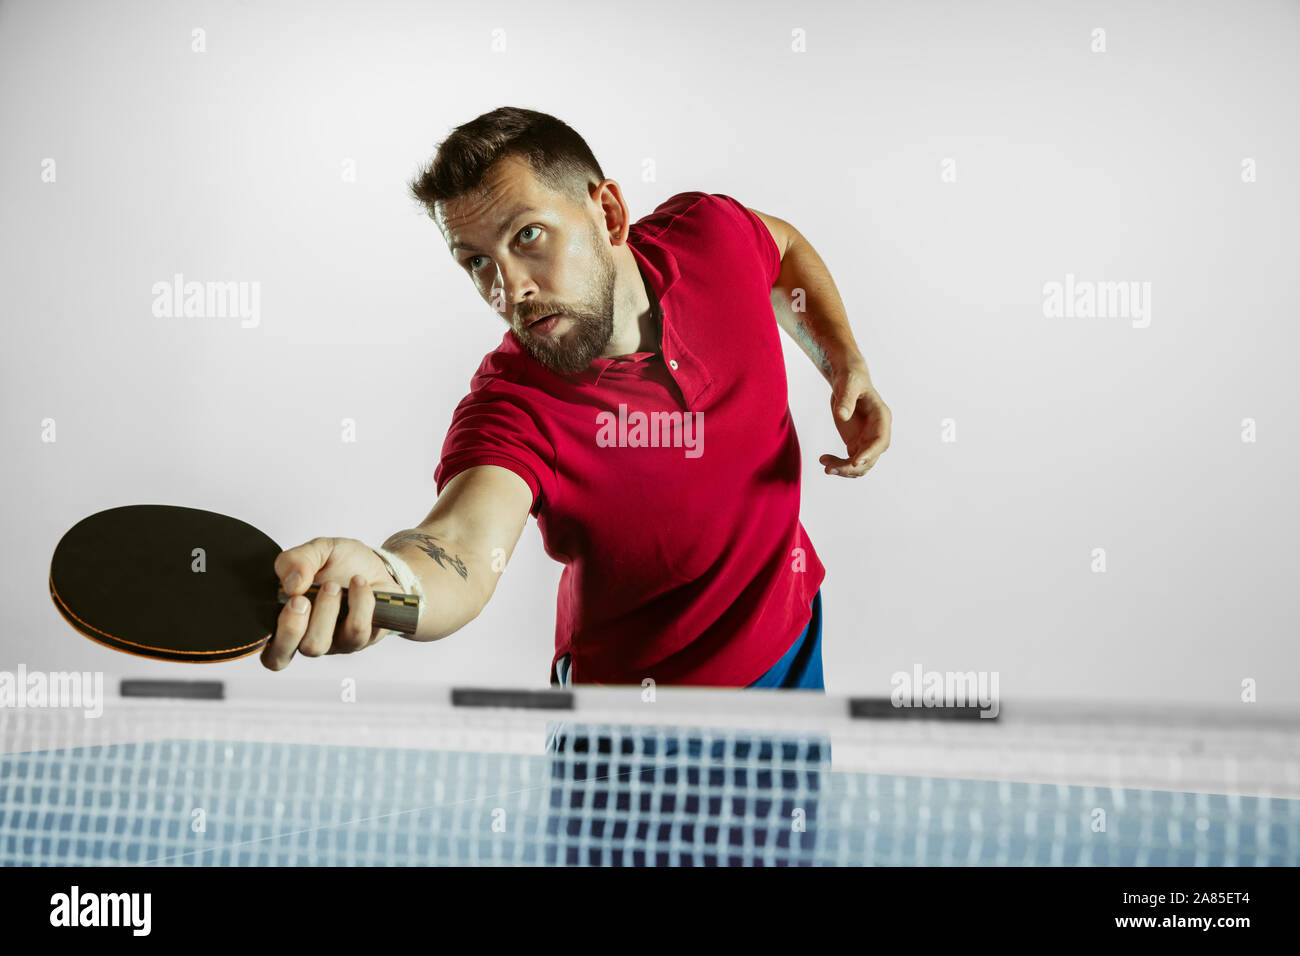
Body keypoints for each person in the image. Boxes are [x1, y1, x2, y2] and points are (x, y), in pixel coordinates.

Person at [262, 107, 891, 689]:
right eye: (476, 262)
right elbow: (460, 548)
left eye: (528, 235)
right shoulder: (509, 408)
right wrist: (394, 580)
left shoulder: (710, 237)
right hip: (637, 726)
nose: (507, 289)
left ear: (610, 214)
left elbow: (779, 249)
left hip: (793, 643)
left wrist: (844, 363)